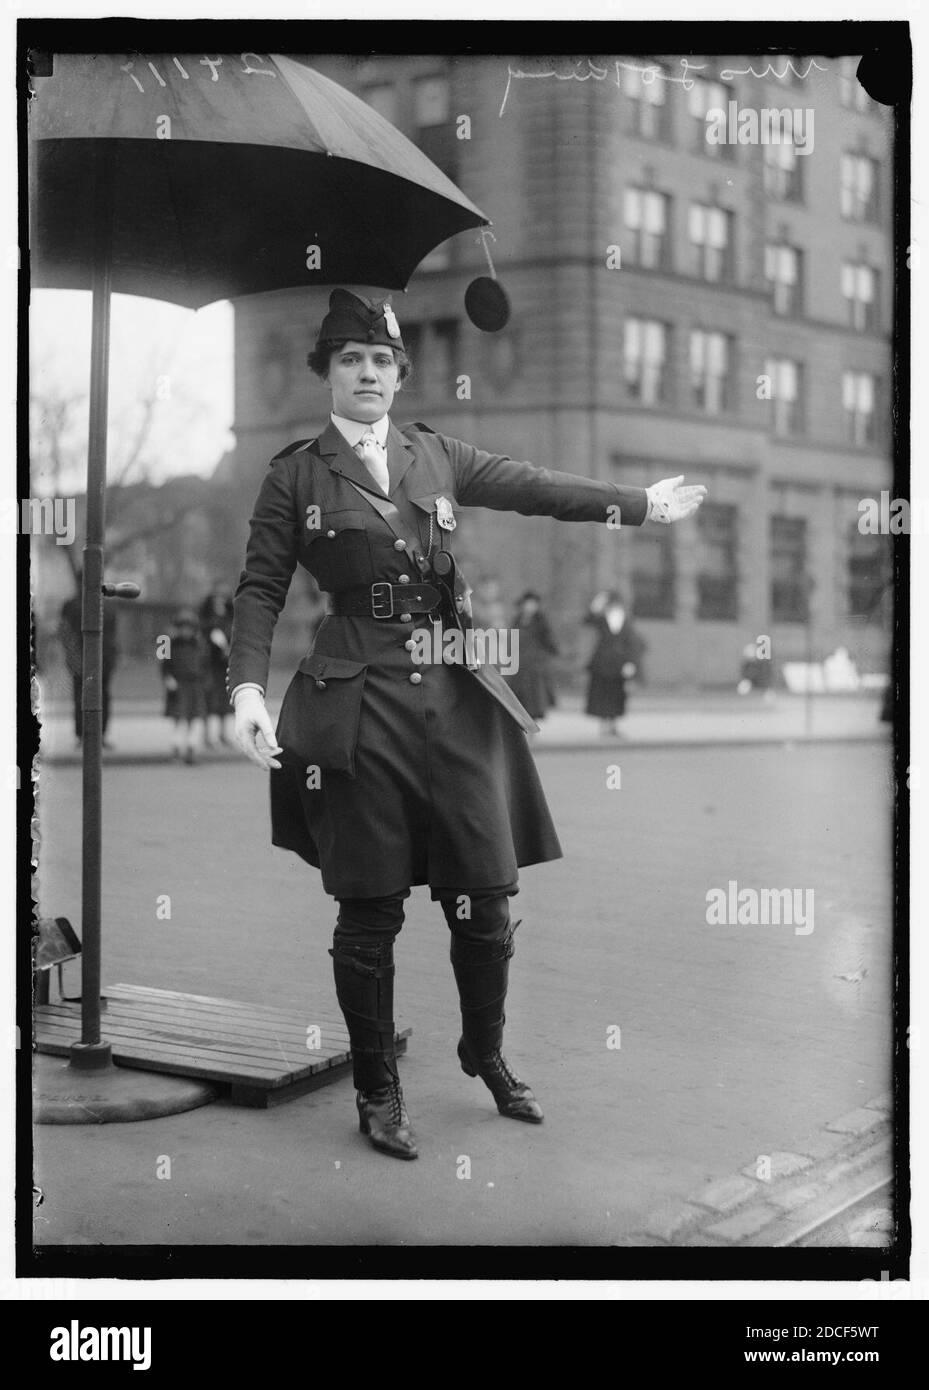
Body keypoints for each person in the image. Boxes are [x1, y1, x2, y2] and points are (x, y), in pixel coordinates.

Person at [226, 288, 706, 1161]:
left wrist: (634, 503)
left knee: (485, 898)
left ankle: (482, 1051)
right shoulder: (294, 474)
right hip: (356, 702)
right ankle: (378, 1089)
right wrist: (246, 693)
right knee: (369, 910)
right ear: (326, 375)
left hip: (451, 697)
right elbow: (259, 588)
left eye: (381, 363)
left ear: (400, 376)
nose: (367, 374)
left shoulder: (435, 453)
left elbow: (534, 485)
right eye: (350, 361)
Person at [57, 569, 118, 749]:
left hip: (100, 659)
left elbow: (111, 636)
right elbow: (65, 633)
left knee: (96, 696)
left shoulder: (105, 606)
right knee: (88, 696)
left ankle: (93, 735)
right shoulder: (75, 606)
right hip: (86, 659)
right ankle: (87, 735)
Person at [584, 589, 644, 737]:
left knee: (616, 696)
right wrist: (598, 602)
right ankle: (604, 725)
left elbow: (632, 644)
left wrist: (630, 663)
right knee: (602, 695)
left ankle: (613, 725)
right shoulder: (602, 620)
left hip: (619, 666)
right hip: (603, 664)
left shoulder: (627, 622)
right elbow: (587, 619)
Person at [162, 607, 209, 764]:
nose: (185, 631)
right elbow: (163, 665)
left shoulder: (200, 644)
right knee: (178, 717)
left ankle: (191, 748)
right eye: (182, 627)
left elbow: (205, 665)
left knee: (193, 719)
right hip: (178, 684)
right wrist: (168, 679)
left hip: (195, 684)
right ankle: (175, 748)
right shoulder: (167, 642)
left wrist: (205, 683)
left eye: (189, 628)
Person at [504, 591, 560, 722]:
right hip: (518, 664)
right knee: (518, 698)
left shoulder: (541, 622)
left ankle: (531, 728)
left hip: (534, 666)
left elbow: (549, 642)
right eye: (527, 604)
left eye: (533, 604)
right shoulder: (517, 620)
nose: (530, 607)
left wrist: (550, 653)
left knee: (533, 699)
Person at [199, 582, 235, 746]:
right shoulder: (205, 615)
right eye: (217, 597)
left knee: (225, 699)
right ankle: (206, 736)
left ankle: (222, 734)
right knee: (208, 698)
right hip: (209, 664)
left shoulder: (231, 615)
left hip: (225, 664)